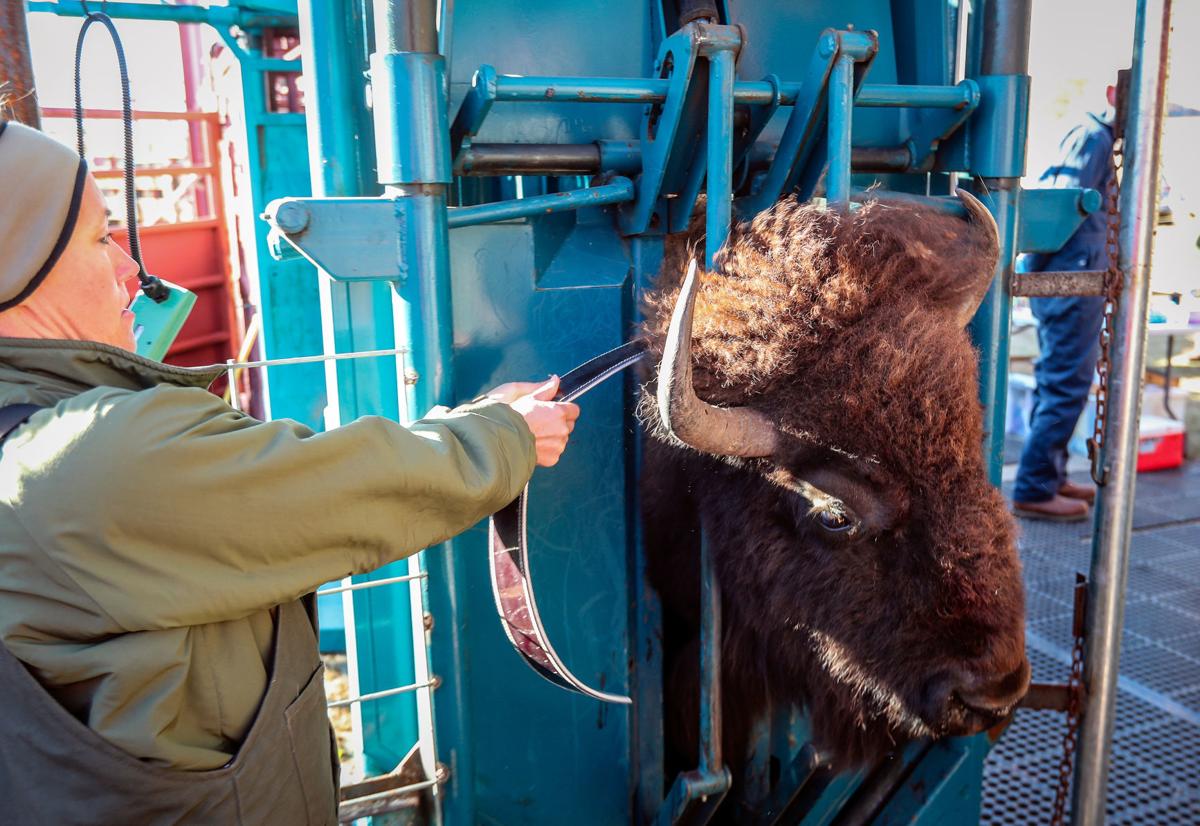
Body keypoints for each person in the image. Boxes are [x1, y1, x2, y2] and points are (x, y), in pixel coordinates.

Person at [0, 120, 580, 824]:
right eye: (100, 238)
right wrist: (505, 436)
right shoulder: (73, 458)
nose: (132, 271)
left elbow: (288, 482)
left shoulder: (38, 437)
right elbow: (339, 494)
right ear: (17, 269)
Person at [1012, 88, 1116, 522]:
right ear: (1113, 92)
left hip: (1073, 273)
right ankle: (1035, 486)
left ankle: (1047, 476)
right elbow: (1063, 206)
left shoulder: (1096, 136)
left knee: (1058, 379)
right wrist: (1040, 274)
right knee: (1067, 381)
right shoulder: (1094, 137)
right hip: (1072, 277)